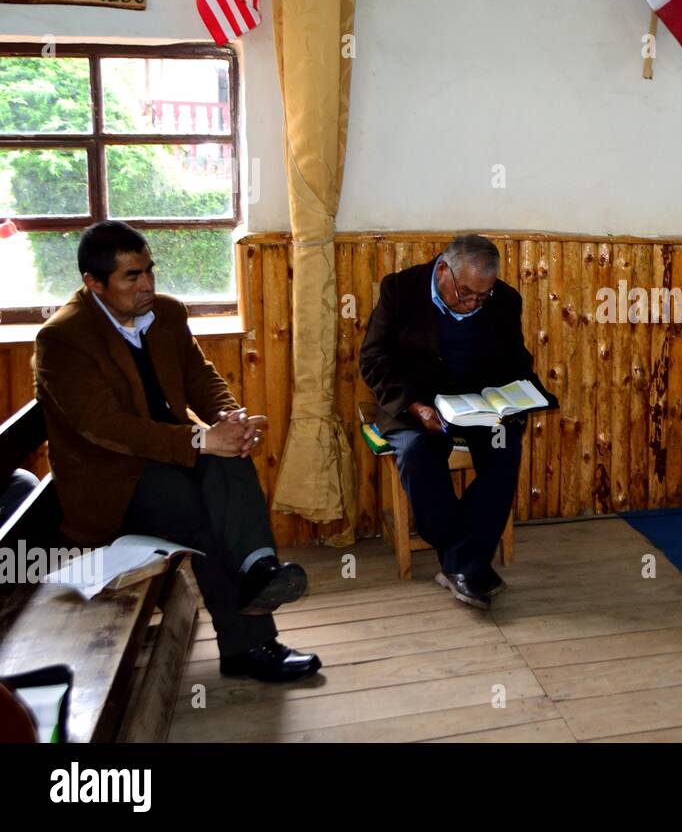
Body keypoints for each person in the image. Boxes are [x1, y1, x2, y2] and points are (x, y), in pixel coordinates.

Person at [33, 221, 320, 682]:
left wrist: (230, 419)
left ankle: (260, 568)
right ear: (93, 283)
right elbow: (104, 428)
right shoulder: (63, 338)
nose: (147, 284)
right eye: (131, 276)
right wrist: (201, 440)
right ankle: (252, 636)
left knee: (229, 460)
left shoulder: (166, 314)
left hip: (173, 457)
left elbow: (201, 377)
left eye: (150, 270)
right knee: (204, 516)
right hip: (112, 481)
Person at [360, 234, 549, 609]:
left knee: (505, 448)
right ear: (443, 270)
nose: (473, 303)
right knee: (418, 452)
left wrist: (511, 401)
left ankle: (459, 563)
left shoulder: (505, 299)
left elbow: (516, 360)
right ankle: (467, 562)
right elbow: (374, 359)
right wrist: (414, 405)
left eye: (482, 296)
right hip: (417, 407)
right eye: (465, 293)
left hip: (478, 408)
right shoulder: (400, 290)